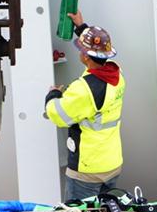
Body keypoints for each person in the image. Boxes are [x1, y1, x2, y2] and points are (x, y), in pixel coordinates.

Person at [45, 11, 126, 201]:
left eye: (82, 50)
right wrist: (82, 28)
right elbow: (96, 61)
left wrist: (53, 94)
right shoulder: (117, 73)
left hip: (87, 169)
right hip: (111, 162)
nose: (80, 52)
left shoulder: (83, 90)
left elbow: (58, 115)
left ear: (87, 57)